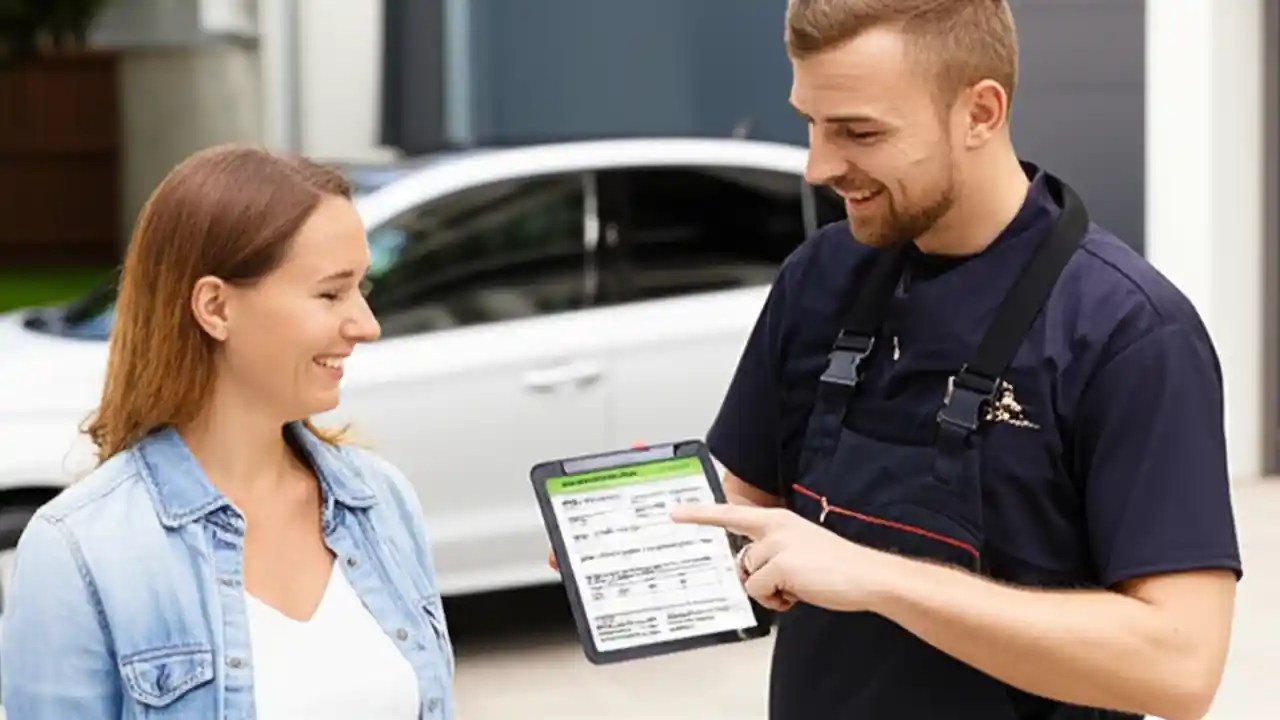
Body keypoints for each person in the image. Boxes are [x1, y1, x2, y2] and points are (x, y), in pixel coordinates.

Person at [671, 1, 1241, 719]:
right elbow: (753, 511)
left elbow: (1179, 666)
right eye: (811, 122)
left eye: (859, 132)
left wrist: (877, 577)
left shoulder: (1128, 332)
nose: (819, 166)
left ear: (980, 112)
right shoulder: (819, 278)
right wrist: (640, 554)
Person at [0, 145, 455, 719]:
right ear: (215, 307)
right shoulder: (79, 551)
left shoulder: (382, 502)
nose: (366, 325)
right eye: (330, 293)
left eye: (361, 289)